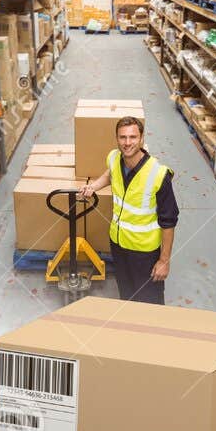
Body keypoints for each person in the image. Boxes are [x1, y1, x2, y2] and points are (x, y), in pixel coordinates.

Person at [79, 116, 178, 304]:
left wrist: (164, 261)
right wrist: (93, 187)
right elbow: (110, 175)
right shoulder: (114, 158)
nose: (127, 142)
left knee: (150, 302)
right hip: (118, 245)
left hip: (144, 253)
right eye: (122, 137)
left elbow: (169, 222)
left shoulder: (158, 174)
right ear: (117, 139)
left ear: (142, 139)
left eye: (133, 137)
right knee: (126, 295)